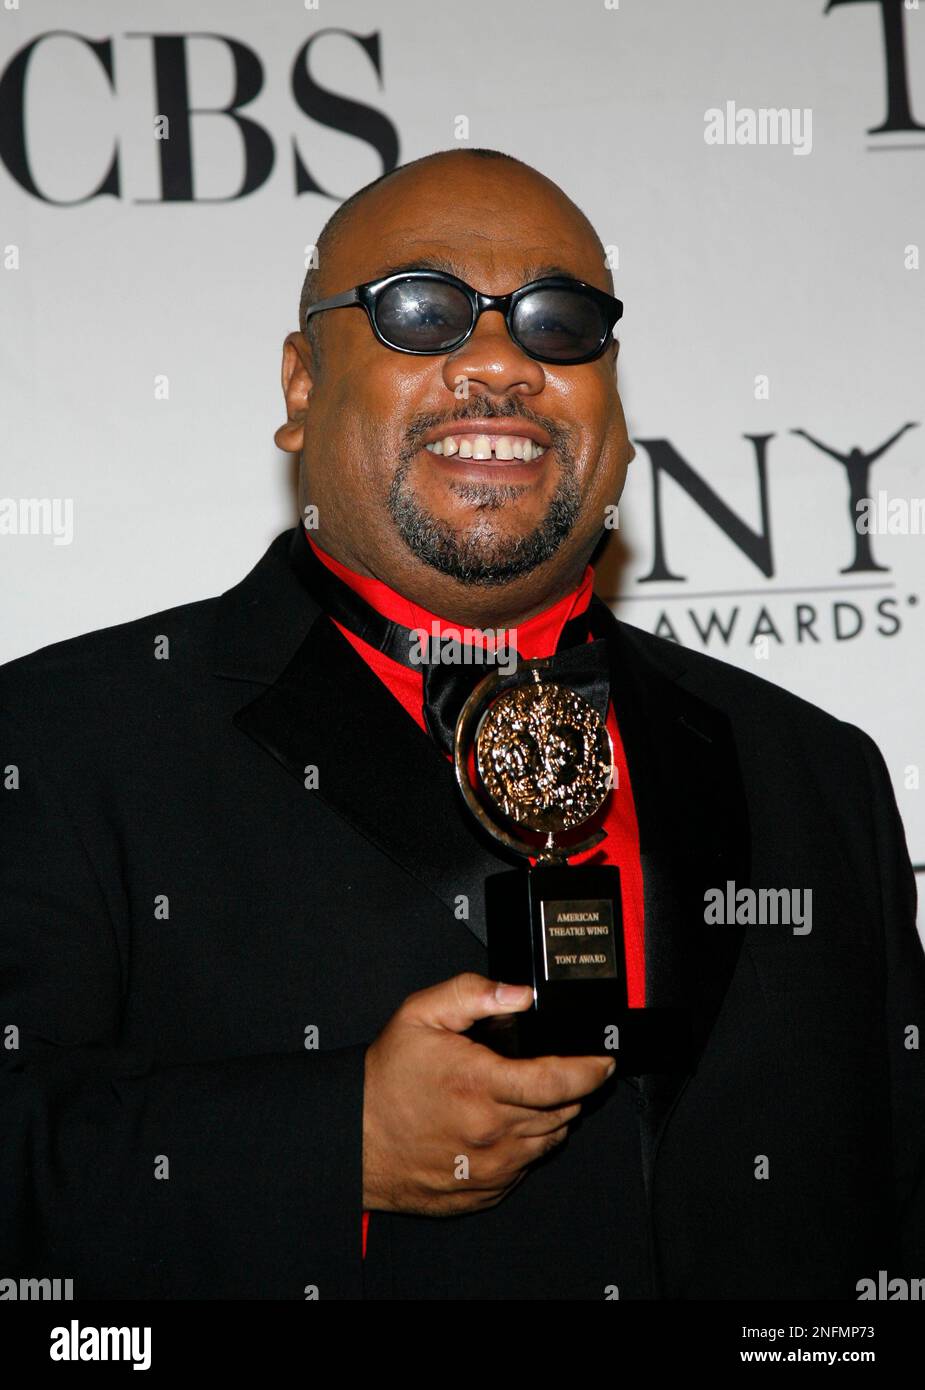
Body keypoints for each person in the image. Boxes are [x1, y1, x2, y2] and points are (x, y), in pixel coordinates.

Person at [1, 147, 922, 1301]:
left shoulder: (810, 767)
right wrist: (329, 1141)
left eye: (559, 321)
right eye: (421, 313)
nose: (499, 361)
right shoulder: (61, 739)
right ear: (300, 385)